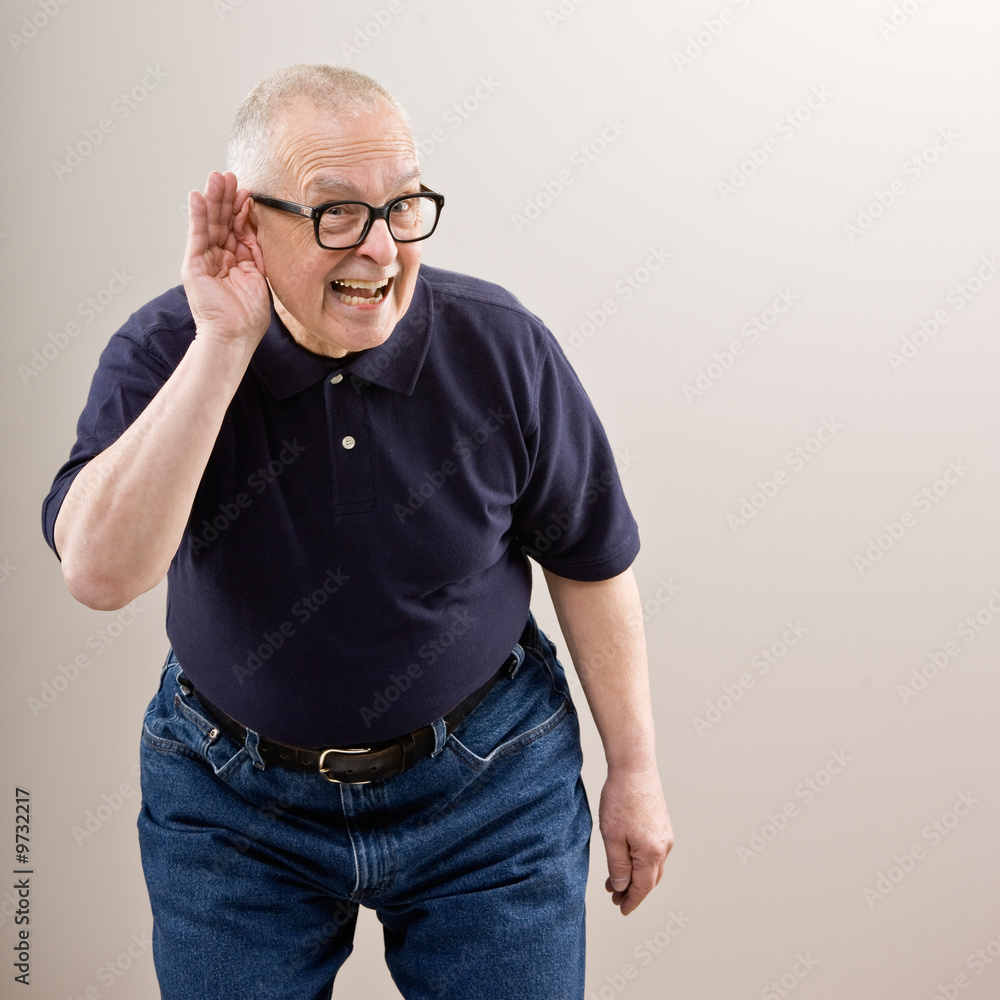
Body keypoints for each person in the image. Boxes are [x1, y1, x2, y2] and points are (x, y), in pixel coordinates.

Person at [41, 63, 672, 999]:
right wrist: (224, 344)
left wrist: (637, 770)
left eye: (403, 207)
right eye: (337, 214)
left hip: (488, 783)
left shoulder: (502, 345)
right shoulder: (164, 349)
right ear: (250, 223)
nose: (380, 251)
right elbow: (98, 574)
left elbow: (589, 560)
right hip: (232, 804)